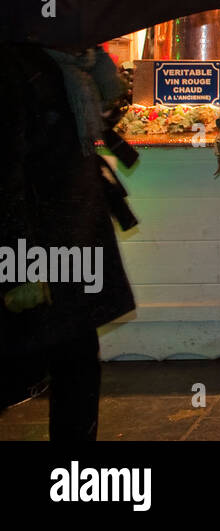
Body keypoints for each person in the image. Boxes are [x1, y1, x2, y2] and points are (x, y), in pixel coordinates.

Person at [0, 43, 136, 440]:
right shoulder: (18, 67)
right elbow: (7, 173)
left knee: (74, 360)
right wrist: (18, 268)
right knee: (60, 361)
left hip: (71, 235)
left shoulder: (68, 64)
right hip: (42, 241)